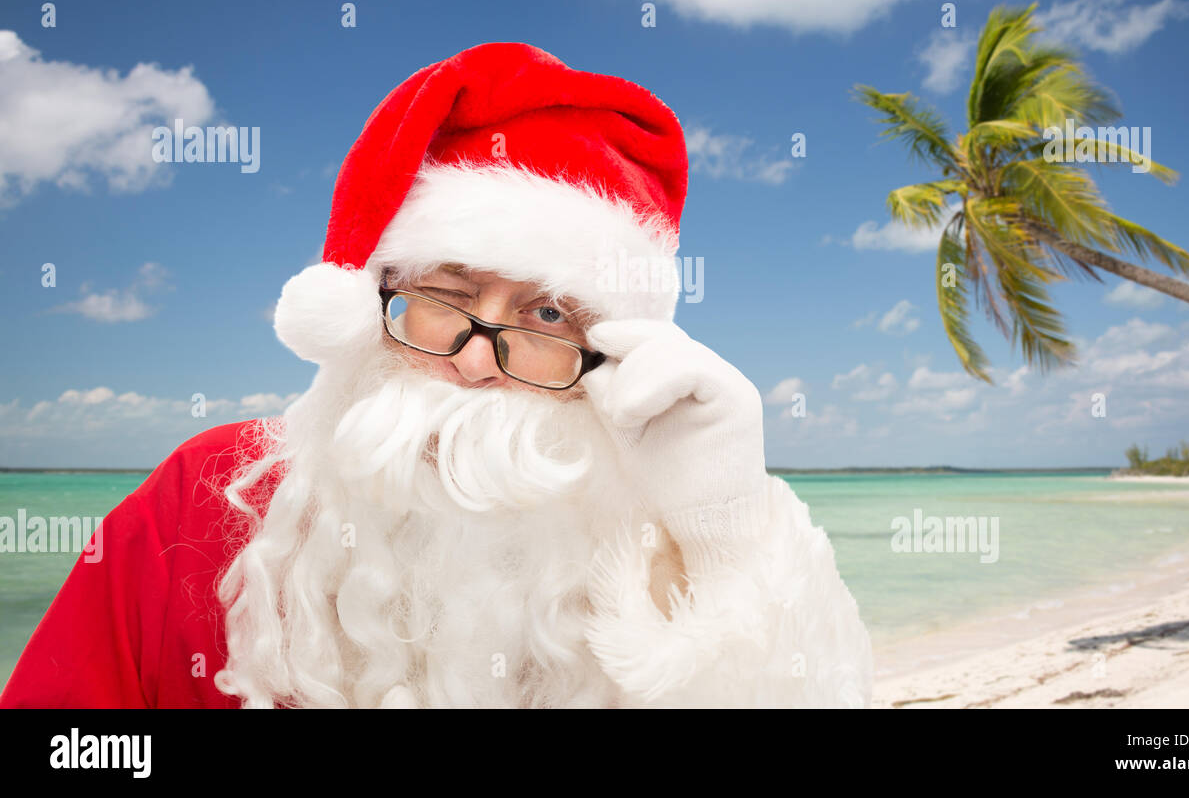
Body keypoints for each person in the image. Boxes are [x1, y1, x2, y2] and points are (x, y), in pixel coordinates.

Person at [0, 42, 873, 708]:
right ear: (370, 306)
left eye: (545, 317)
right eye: (444, 295)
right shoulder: (203, 498)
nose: (471, 358)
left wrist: (724, 537)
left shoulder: (660, 541)